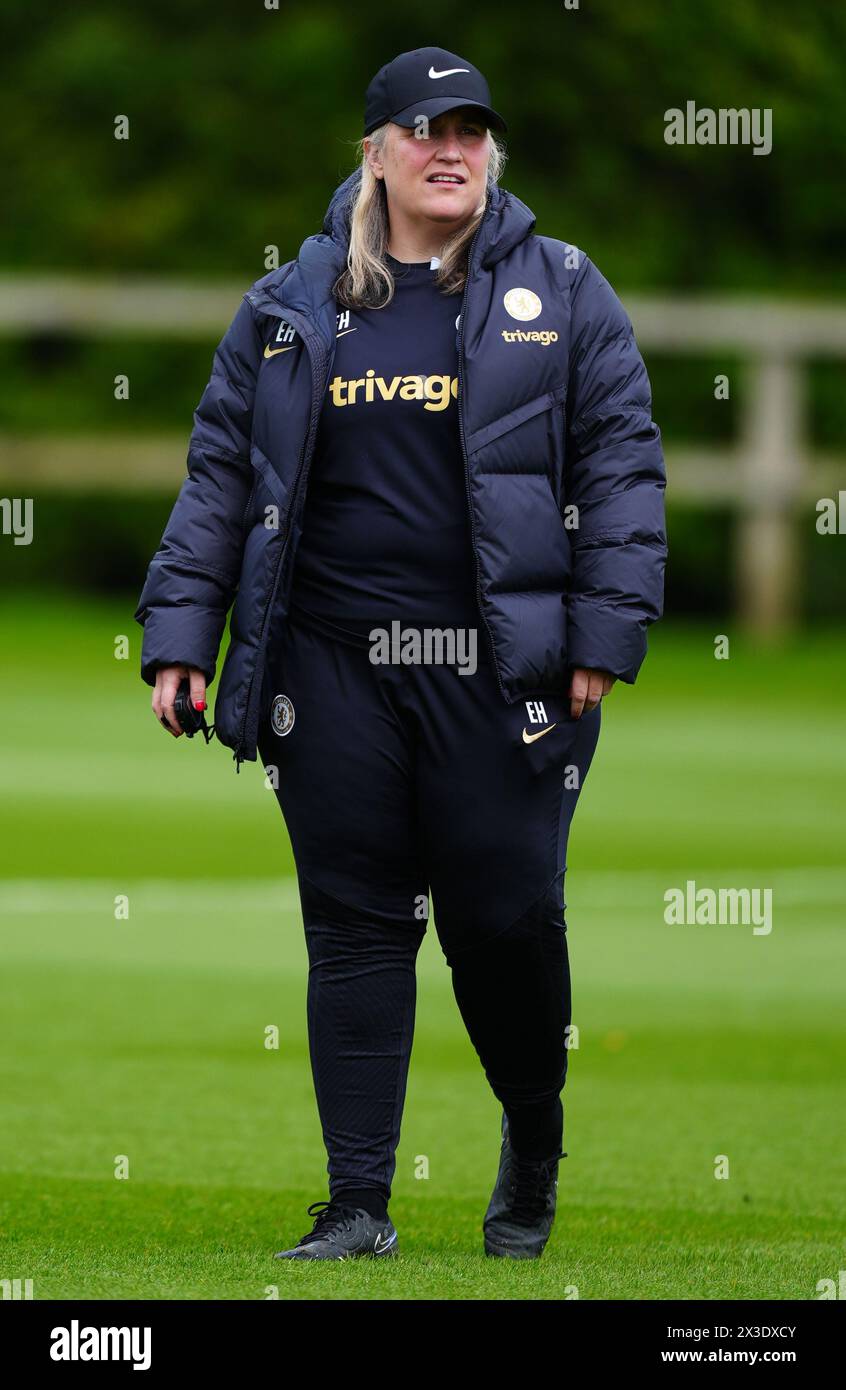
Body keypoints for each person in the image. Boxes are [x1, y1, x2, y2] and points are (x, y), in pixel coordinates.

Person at [134, 46, 667, 1261]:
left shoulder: (568, 291)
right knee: (355, 925)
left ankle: (532, 1139)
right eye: (427, 129)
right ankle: (357, 1204)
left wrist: (605, 632)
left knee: (504, 920)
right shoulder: (288, 305)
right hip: (330, 670)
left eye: (473, 131)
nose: (452, 149)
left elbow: (623, 472)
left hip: (503, 672)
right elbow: (225, 473)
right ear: (373, 150)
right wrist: (181, 632)